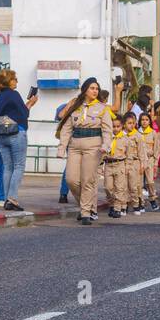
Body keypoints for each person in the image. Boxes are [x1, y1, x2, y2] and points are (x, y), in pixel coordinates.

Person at [56, 77, 113, 224]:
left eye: (97, 89)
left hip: (94, 147)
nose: (95, 91)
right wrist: (62, 148)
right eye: (92, 88)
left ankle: (86, 212)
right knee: (71, 179)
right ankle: (87, 205)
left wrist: (106, 146)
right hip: (75, 146)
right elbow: (67, 128)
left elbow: (107, 131)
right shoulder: (76, 106)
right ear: (85, 90)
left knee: (88, 180)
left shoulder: (102, 108)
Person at [0, 69, 36, 211]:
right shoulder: (14, 94)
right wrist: (31, 103)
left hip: (1, 134)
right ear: (9, 81)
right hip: (17, 133)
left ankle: (6, 199)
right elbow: (24, 113)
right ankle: (12, 199)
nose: (17, 81)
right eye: (15, 79)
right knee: (18, 166)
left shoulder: (0, 96)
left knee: (7, 167)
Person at [104, 115, 130, 218]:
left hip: (120, 164)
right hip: (108, 164)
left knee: (119, 188)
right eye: (113, 126)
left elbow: (129, 155)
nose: (115, 128)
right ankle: (111, 204)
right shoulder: (107, 138)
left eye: (118, 126)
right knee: (108, 187)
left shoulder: (125, 139)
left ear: (122, 126)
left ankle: (117, 208)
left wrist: (127, 167)